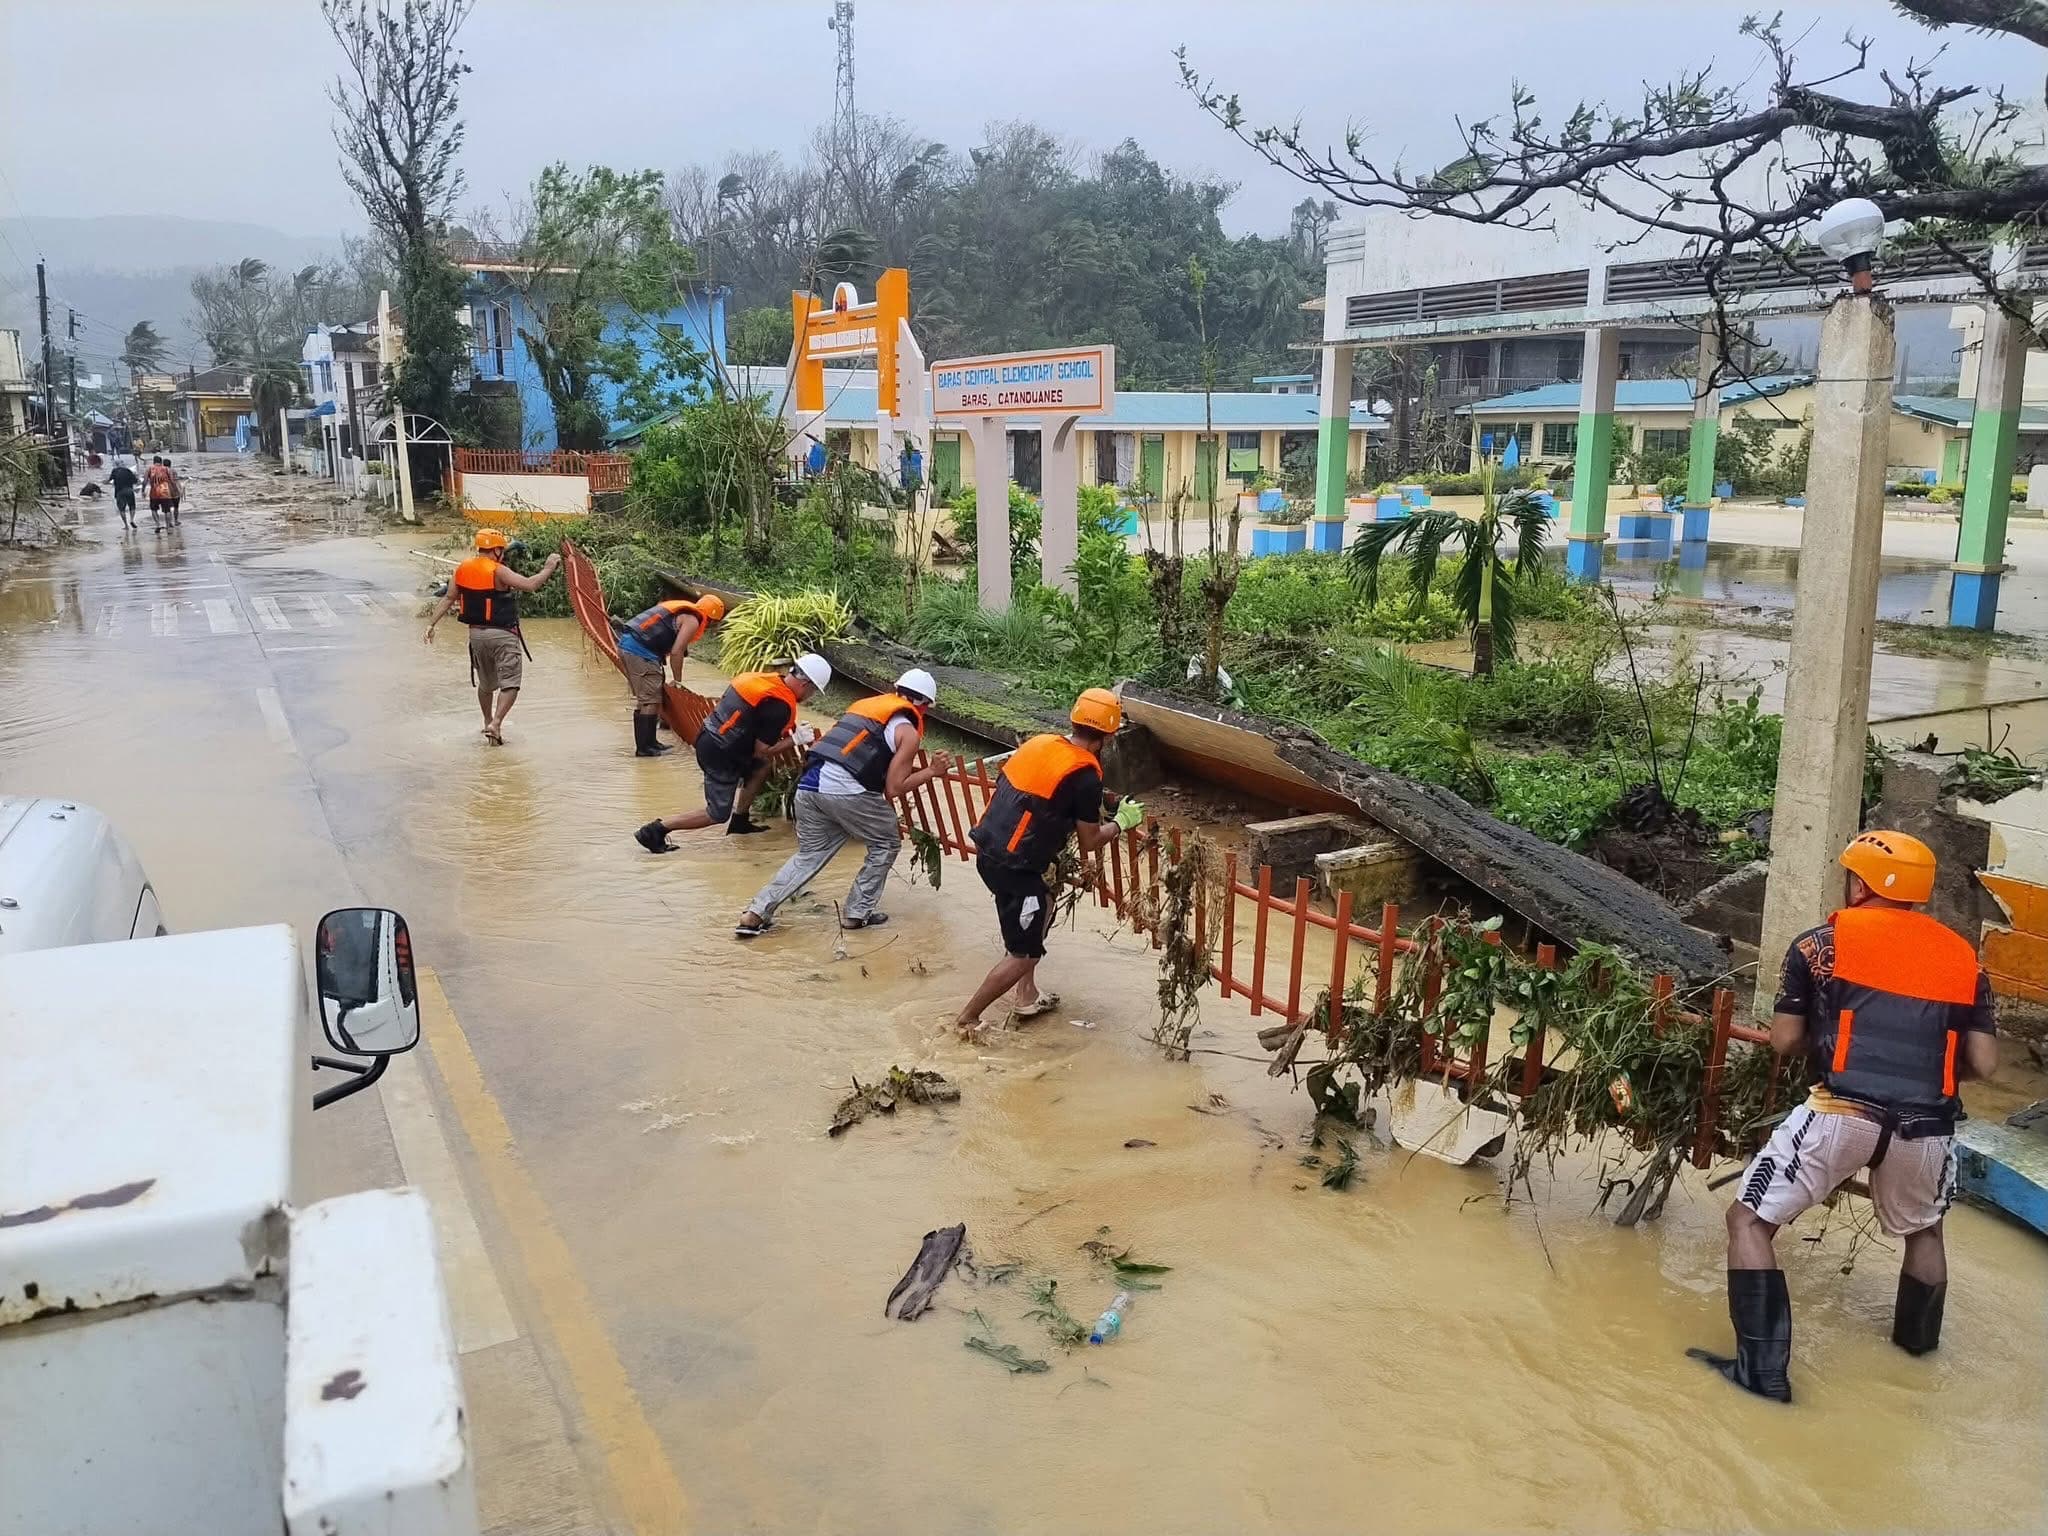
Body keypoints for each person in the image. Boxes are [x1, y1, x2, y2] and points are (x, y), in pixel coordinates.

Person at [1687, 830, 2000, 1403]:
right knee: (1925, 1231)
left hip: (1841, 1112)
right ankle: (1915, 1364)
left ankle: (1762, 1378)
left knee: (1749, 1223)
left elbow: (1783, 1041)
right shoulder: (1964, 960)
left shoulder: (1821, 946)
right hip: (1927, 1128)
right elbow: (1982, 1061)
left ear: (1861, 883)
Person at [953, 688, 1143, 1032]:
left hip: (989, 850)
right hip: (1016, 868)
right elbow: (1090, 841)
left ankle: (1026, 996)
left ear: (1073, 719)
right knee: (1023, 953)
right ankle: (967, 1019)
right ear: (1108, 736)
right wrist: (1121, 822)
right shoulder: (1085, 776)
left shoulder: (1040, 744)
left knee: (1046, 901)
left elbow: (1038, 796)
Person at [733, 668, 950, 937]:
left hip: (808, 786)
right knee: (886, 842)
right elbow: (894, 789)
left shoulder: (863, 708)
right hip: (846, 792)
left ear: (897, 691)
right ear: (925, 705)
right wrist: (932, 771)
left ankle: (755, 913)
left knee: (809, 855)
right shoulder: (908, 732)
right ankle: (857, 914)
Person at [634, 653, 832, 849]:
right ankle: (655, 830)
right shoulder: (779, 707)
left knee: (762, 766)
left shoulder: (760, 680)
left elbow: (759, 749)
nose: (810, 696)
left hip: (709, 737)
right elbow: (763, 750)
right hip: (722, 754)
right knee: (717, 814)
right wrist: (795, 740)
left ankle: (740, 820)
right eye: (814, 691)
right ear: (806, 684)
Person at [422, 528, 562, 745]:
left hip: (476, 636)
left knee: (486, 685)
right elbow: (531, 585)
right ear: (496, 550)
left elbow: (449, 598)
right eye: (501, 550)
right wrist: (549, 567)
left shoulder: (462, 569)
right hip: (503, 635)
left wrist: (431, 625)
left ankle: (487, 721)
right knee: (510, 684)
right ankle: (496, 723)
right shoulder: (499, 571)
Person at [616, 593, 726, 757]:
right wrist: (678, 681)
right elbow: (677, 651)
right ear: (711, 618)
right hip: (639, 651)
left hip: (630, 645)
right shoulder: (693, 620)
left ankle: (650, 743)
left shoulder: (684, 612)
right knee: (650, 700)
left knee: (647, 698)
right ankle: (645, 749)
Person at [107, 457, 139, 531]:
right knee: (132, 506)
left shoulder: (114, 471)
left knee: (122, 509)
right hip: (129, 491)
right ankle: (131, 519)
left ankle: (126, 525)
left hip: (119, 492)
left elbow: (110, 480)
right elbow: (135, 481)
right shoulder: (128, 471)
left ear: (116, 464)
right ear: (123, 464)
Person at [144, 455, 173, 532]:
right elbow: (171, 481)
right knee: (167, 510)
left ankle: (158, 524)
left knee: (153, 509)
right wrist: (174, 490)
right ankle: (168, 527)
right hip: (165, 492)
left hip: (154, 493)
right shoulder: (166, 469)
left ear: (154, 461)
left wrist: (143, 490)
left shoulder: (149, 469)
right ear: (161, 462)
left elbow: (145, 481)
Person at [160, 456, 182, 526]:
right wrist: (178, 489)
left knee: (167, 509)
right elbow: (175, 481)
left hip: (165, 491)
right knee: (176, 507)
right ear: (170, 464)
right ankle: (176, 521)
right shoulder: (174, 470)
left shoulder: (161, 472)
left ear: (163, 464)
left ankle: (169, 523)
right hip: (174, 491)